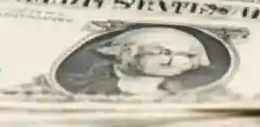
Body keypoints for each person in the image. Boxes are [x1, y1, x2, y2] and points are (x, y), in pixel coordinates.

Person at [60, 26, 212, 96]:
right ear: (128, 51)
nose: (178, 62)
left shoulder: (179, 92)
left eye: (189, 59)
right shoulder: (87, 79)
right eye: (164, 52)